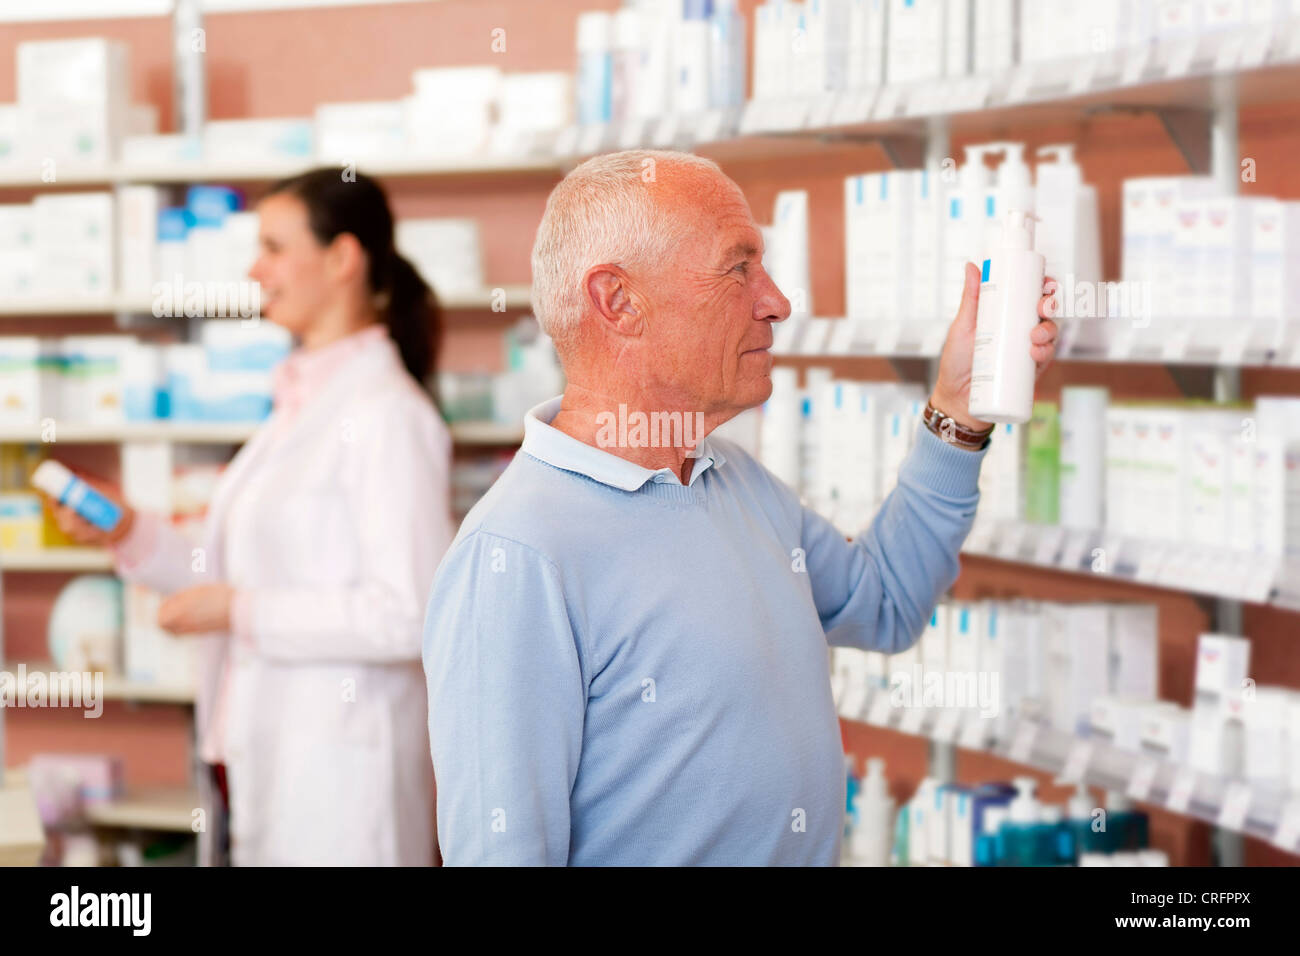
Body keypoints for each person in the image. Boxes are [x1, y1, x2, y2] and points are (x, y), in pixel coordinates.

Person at [422, 150, 1059, 866]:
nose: (777, 300)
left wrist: (957, 412)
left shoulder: (733, 482)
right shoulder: (516, 554)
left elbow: (884, 601)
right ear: (618, 301)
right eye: (738, 267)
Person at [47, 169, 454, 866]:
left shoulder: (388, 415)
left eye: (272, 245)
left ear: (342, 258)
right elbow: (225, 576)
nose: (253, 268)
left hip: (343, 780)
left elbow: (410, 614)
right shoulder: (298, 405)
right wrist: (128, 531)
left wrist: (239, 611)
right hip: (265, 760)